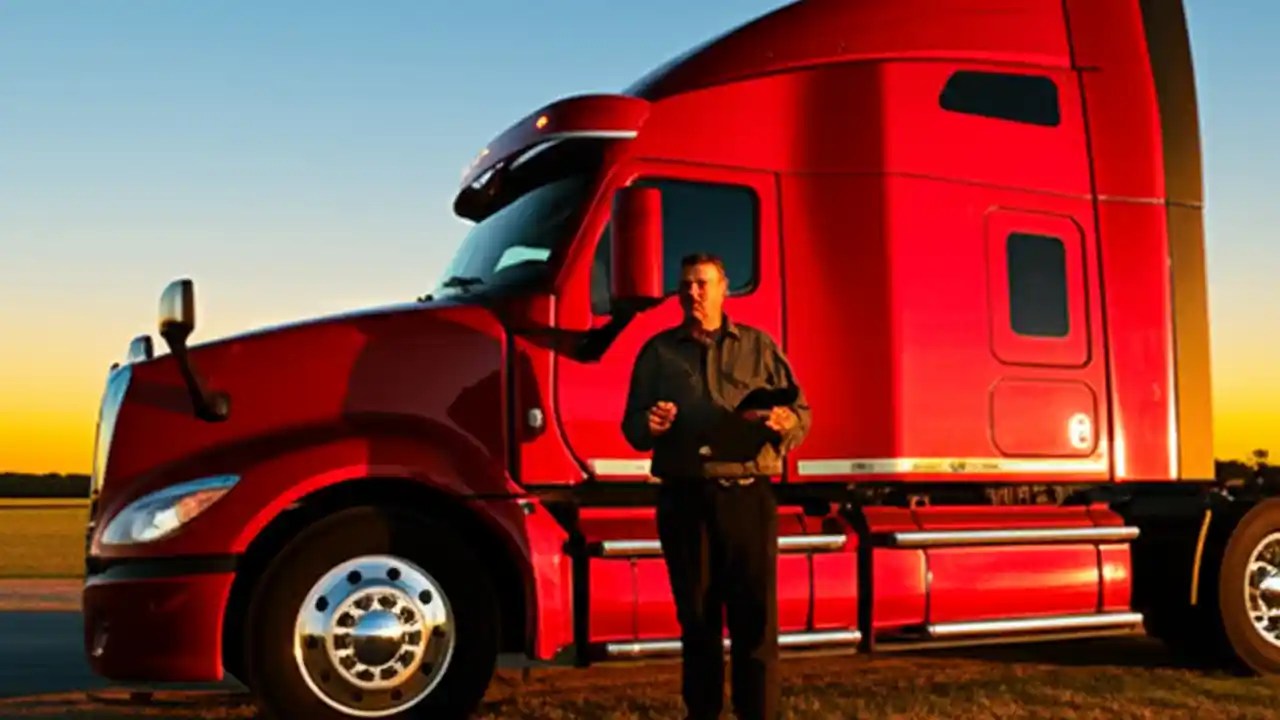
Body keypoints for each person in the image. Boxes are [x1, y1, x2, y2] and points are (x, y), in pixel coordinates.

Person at [621, 252, 812, 720]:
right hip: (685, 499)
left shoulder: (759, 348)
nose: (693, 292)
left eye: (703, 283)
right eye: (685, 285)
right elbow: (631, 425)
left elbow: (801, 414)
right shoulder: (658, 352)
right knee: (698, 622)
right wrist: (650, 424)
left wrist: (784, 423)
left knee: (755, 624)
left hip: (747, 496)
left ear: (725, 288)